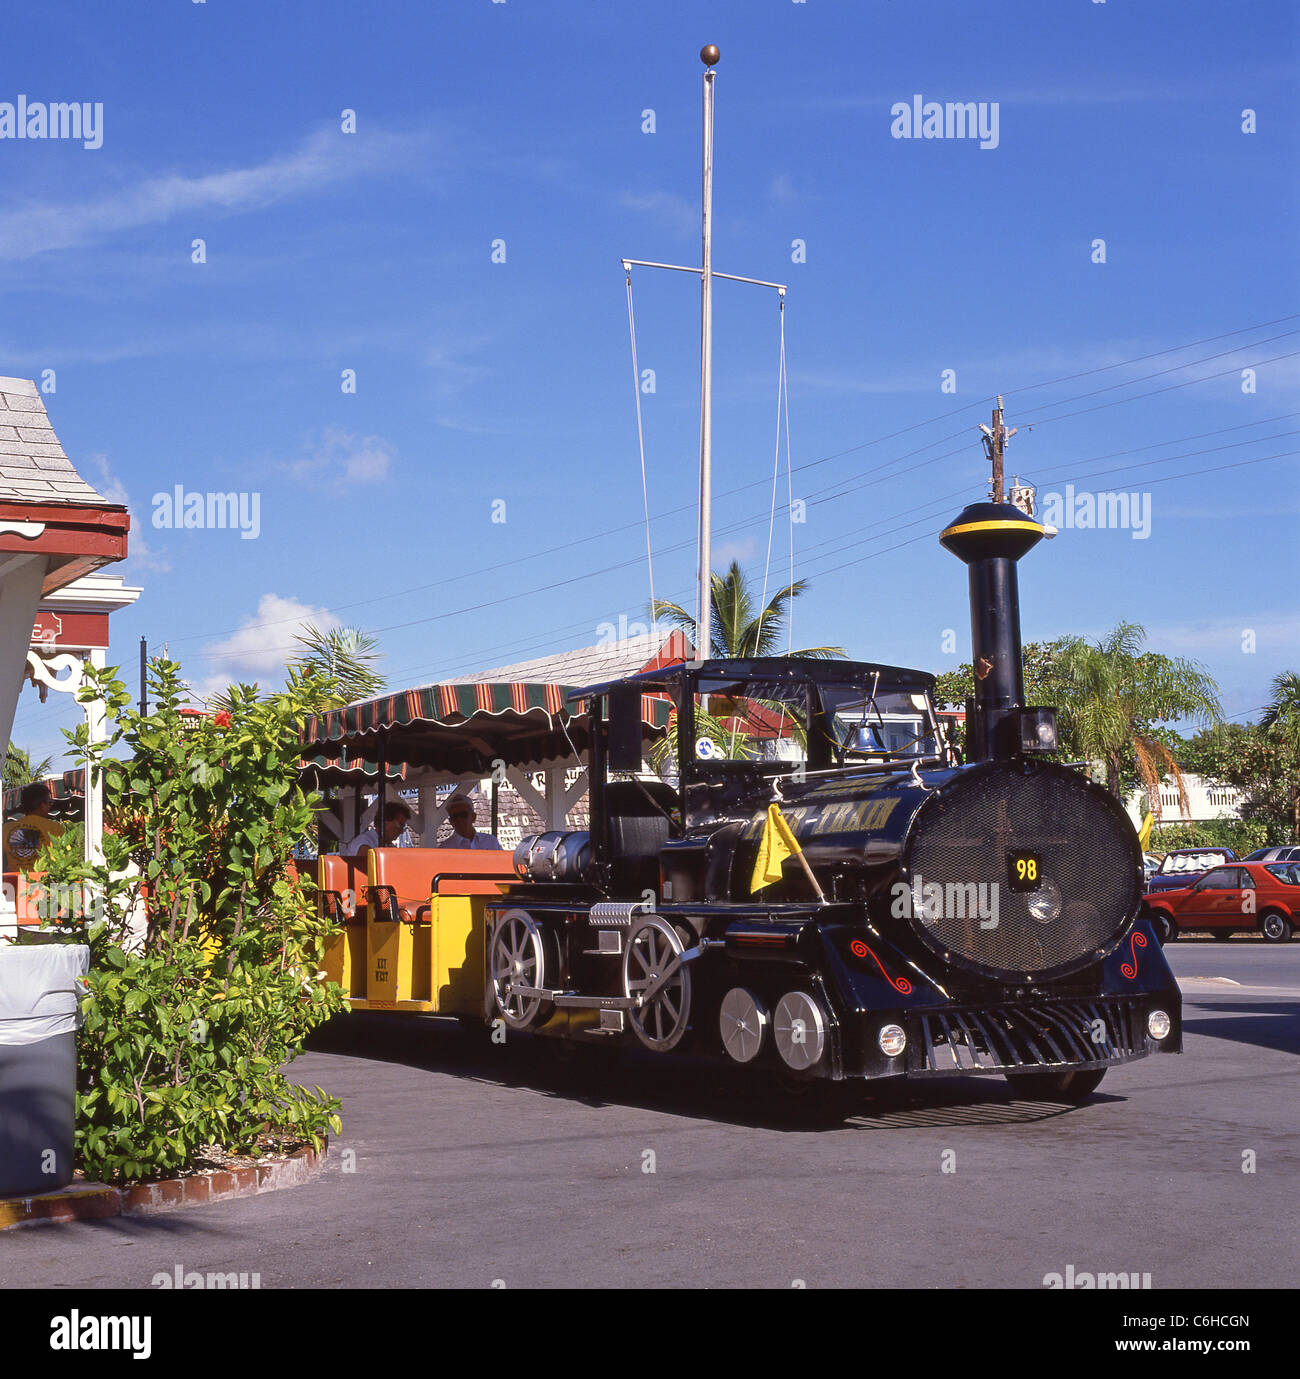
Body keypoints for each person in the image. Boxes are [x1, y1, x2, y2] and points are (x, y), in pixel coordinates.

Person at [3, 782, 65, 874]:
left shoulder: (6, 829)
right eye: (49, 802)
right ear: (42, 805)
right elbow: (64, 859)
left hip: (15, 884)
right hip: (44, 883)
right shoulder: (55, 827)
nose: (50, 806)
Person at [346, 800, 414, 865]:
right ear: (385, 822)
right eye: (400, 826)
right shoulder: (364, 843)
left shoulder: (389, 846)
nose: (401, 831)